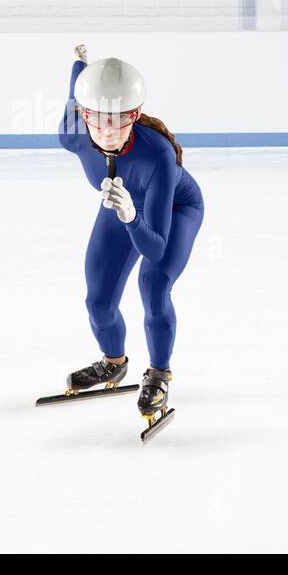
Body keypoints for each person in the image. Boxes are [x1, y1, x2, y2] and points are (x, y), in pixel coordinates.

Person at [56, 42, 205, 425]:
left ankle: (159, 372)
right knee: (98, 302)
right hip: (120, 207)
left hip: (171, 210)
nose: (108, 130)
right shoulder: (72, 134)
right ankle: (113, 363)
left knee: (153, 284)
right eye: (97, 117)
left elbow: (155, 248)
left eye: (120, 119)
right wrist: (80, 65)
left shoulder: (157, 155)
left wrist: (131, 216)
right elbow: (74, 93)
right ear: (84, 114)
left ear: (136, 114)